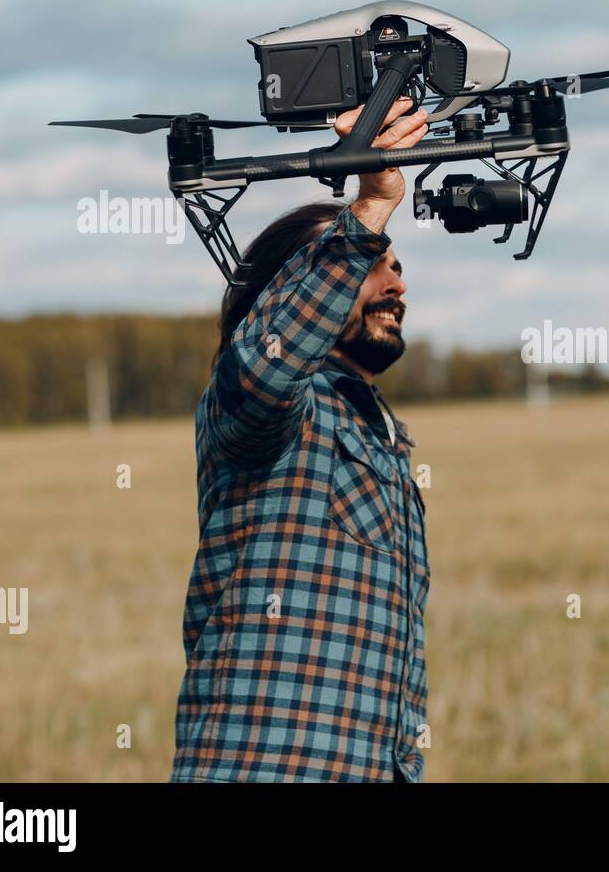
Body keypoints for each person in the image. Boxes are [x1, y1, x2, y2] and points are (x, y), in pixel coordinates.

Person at [169, 98, 433, 782]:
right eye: (371, 262)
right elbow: (267, 367)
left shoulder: (376, 431)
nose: (395, 281)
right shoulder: (260, 400)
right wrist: (370, 208)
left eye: (395, 264)